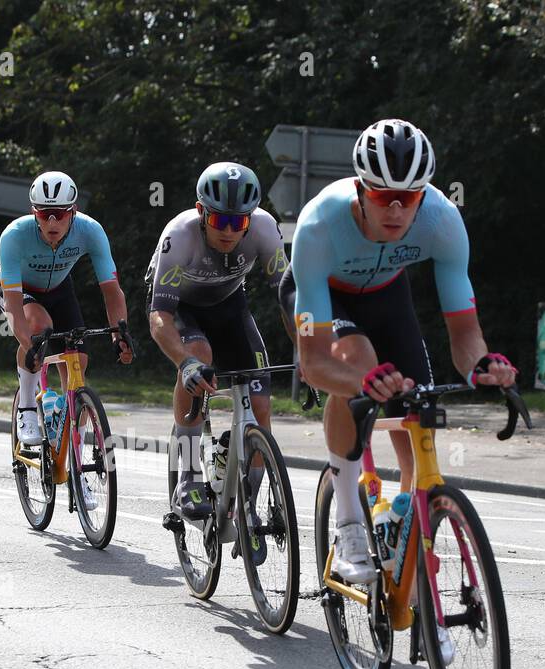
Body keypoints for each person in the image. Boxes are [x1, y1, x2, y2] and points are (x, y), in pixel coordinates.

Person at [281, 118, 517, 589]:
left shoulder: (443, 221)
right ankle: (348, 526)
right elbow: (315, 363)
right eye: (381, 195)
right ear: (359, 188)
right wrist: (358, 383)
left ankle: (404, 526)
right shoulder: (318, 224)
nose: (394, 209)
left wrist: (481, 366)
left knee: (417, 414)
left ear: (423, 195)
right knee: (359, 361)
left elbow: (465, 333)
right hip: (326, 298)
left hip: (389, 297)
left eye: (408, 198)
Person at [145, 162, 289, 520]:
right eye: (220, 220)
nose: (229, 230)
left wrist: (310, 346)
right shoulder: (179, 236)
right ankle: (189, 476)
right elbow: (159, 317)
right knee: (199, 354)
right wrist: (185, 363)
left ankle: (248, 507)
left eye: (238, 222)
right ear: (200, 212)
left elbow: (290, 299)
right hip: (182, 307)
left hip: (229, 305)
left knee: (260, 403)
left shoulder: (265, 229)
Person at [0, 170, 133, 508]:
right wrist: (28, 345)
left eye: (60, 213)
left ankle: (76, 467)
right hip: (16, 291)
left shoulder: (91, 231)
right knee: (39, 326)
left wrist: (121, 333)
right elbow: (12, 304)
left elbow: (111, 290)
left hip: (59, 290)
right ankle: (28, 405)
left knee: (79, 366)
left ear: (74, 211)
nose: (52, 221)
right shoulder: (14, 236)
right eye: (44, 213)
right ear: (33, 213)